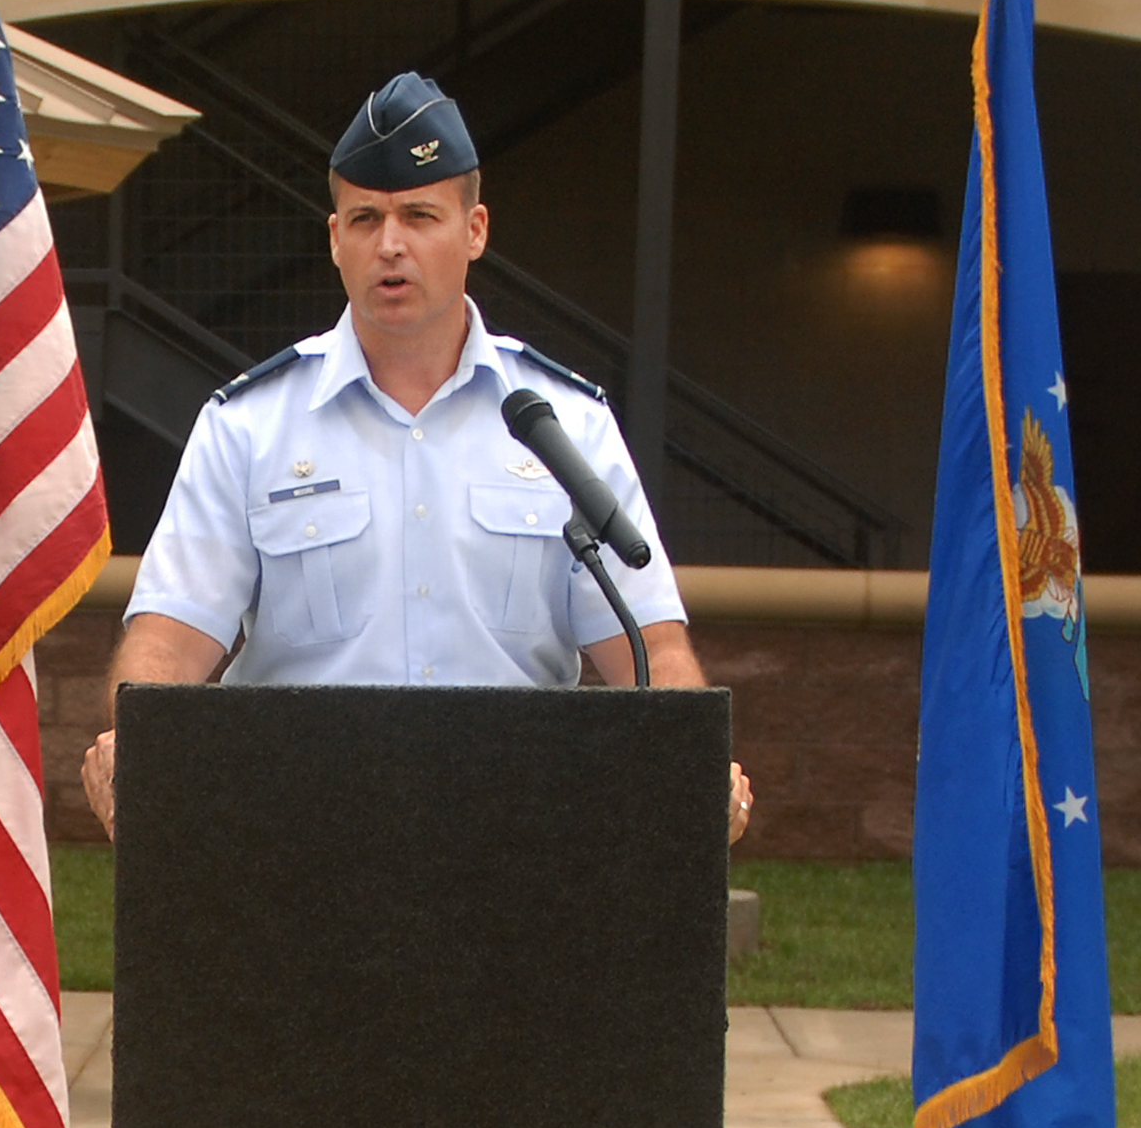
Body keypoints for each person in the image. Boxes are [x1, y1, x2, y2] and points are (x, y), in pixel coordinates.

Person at [76, 71, 753, 844]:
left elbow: (649, 646)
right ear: (335, 239)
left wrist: (693, 757)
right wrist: (144, 744)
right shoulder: (252, 426)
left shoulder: (564, 423)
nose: (390, 243)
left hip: (521, 838)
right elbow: (168, 637)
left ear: (475, 230)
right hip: (293, 836)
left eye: (419, 215)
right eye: (365, 218)